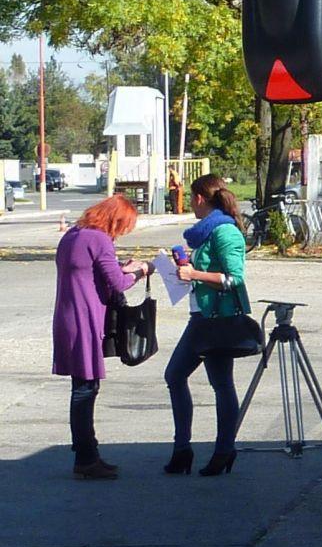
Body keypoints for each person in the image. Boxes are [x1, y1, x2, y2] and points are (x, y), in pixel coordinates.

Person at [51, 194, 152, 480]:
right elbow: (118, 283)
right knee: (85, 390)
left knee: (83, 387)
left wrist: (120, 267)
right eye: (124, 226)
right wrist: (142, 271)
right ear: (115, 220)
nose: (123, 232)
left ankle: (88, 453)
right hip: (85, 317)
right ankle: (85, 458)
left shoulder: (73, 234)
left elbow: (90, 272)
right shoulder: (99, 239)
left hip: (67, 315)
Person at [164, 173, 252, 477]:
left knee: (206, 381)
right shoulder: (206, 232)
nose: (190, 203)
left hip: (218, 320)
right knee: (183, 378)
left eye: (191, 197)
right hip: (202, 316)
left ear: (200, 198)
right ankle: (186, 450)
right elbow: (211, 266)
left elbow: (234, 278)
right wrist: (190, 264)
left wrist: (194, 275)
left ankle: (220, 449)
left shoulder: (225, 231)